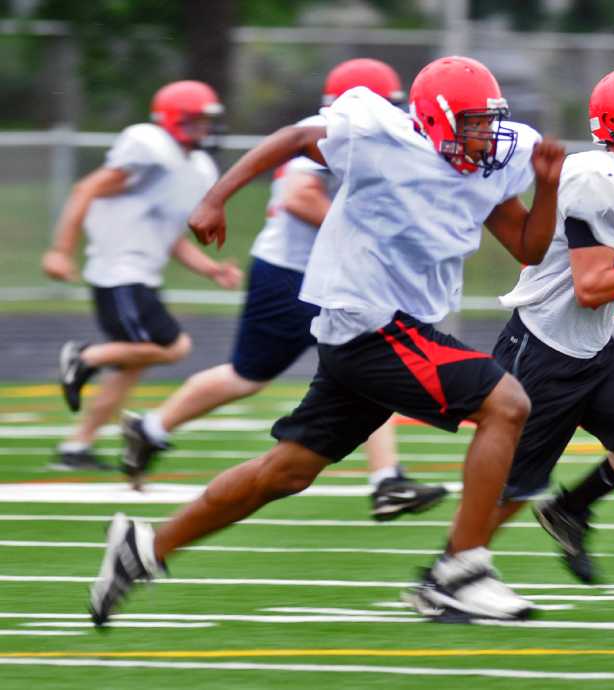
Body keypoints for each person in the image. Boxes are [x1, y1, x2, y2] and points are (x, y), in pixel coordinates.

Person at [88, 55, 566, 625]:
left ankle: (144, 548)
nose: (487, 137)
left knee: (285, 472)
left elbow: (527, 248)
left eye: (491, 123)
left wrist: (546, 186)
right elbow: (294, 137)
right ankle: (461, 571)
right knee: (507, 404)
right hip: (369, 321)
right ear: (434, 120)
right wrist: (215, 198)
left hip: (390, 328)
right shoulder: (378, 134)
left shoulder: (500, 158)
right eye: (473, 124)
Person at [119, 58, 446, 518]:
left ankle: (387, 479)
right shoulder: (329, 129)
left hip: (324, 275)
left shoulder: (360, 132)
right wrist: (375, 231)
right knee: (254, 374)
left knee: (367, 364)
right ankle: (152, 428)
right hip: (293, 274)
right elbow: (298, 197)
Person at [437, 66, 614, 587]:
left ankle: (572, 509)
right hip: (542, 348)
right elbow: (590, 287)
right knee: (511, 492)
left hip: (596, 346)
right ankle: (448, 572)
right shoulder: (592, 178)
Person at [43, 81, 242, 472]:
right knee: (174, 346)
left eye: (207, 121)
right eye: (196, 120)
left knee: (130, 368)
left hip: (139, 275)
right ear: (171, 121)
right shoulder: (151, 148)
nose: (204, 128)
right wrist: (59, 250)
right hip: (119, 272)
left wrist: (210, 268)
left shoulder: (197, 167)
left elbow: (171, 237)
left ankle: (76, 446)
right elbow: (86, 188)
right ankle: (84, 357)